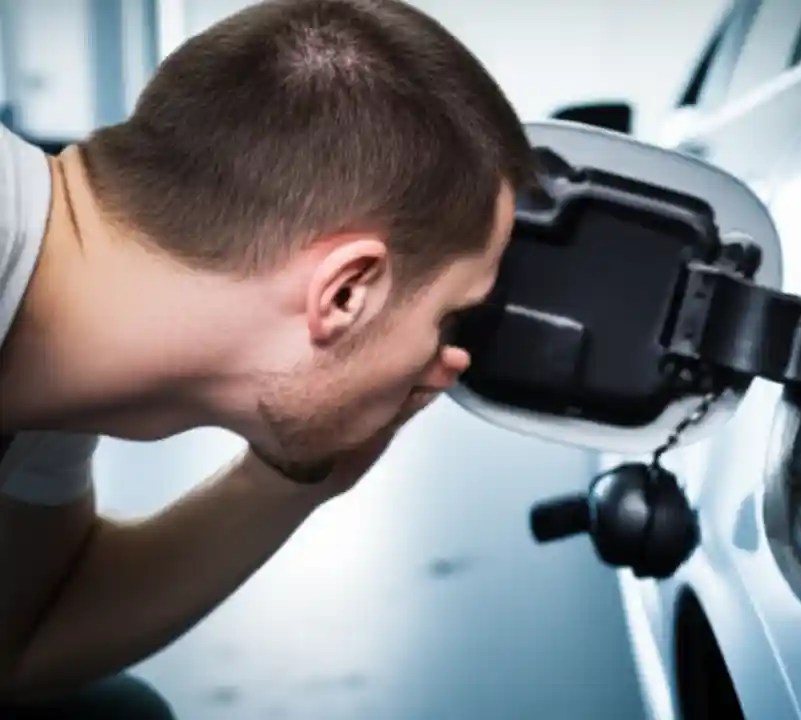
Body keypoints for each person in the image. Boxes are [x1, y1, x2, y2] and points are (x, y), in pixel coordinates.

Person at [0, 0, 535, 715]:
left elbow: (19, 647)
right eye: (447, 319)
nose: (443, 364)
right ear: (346, 292)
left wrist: (292, 479)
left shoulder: (61, 357)